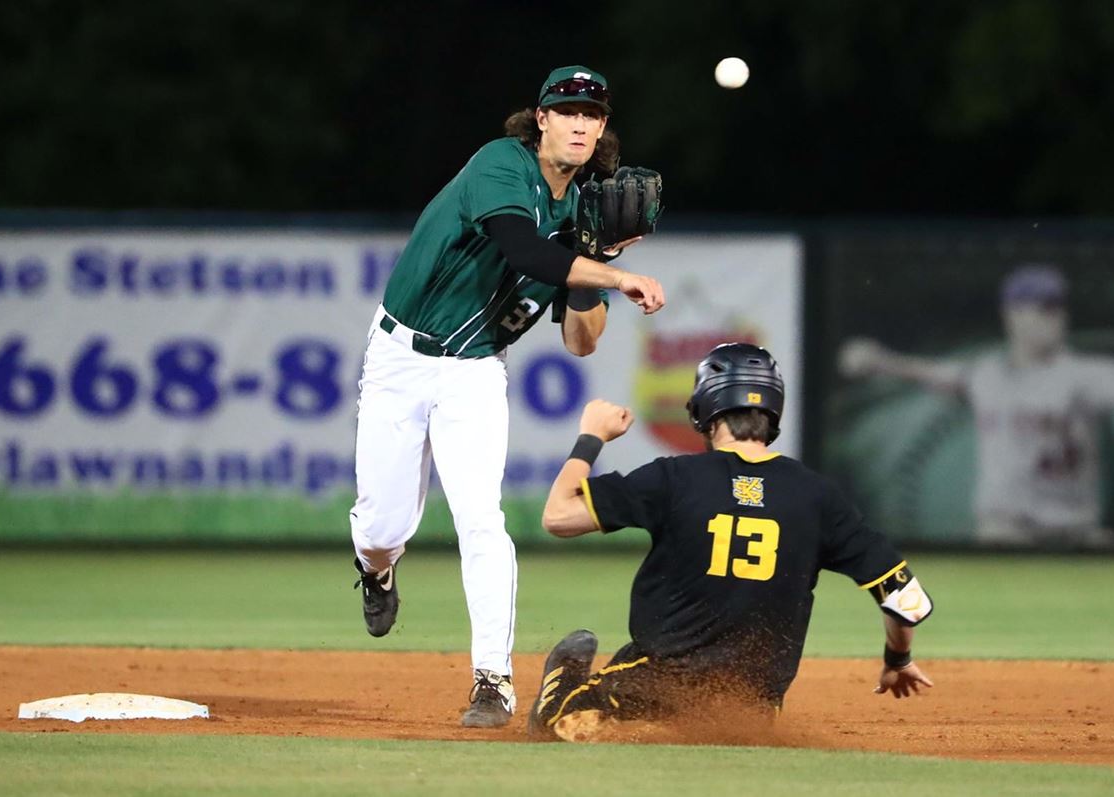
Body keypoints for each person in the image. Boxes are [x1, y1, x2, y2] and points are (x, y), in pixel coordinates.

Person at [349, 65, 666, 729]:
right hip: (400, 357)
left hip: (473, 371)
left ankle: (492, 681)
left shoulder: (585, 215)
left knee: (481, 521)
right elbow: (523, 248)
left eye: (593, 114)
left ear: (602, 128)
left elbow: (581, 341)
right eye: (567, 109)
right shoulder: (501, 163)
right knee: (384, 527)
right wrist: (614, 268)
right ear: (541, 119)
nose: (580, 122)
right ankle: (376, 568)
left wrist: (595, 267)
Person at [529, 343, 934, 741]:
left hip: (658, 683)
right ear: (774, 411)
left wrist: (591, 437)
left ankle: (565, 692)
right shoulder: (819, 496)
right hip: (751, 708)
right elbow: (904, 598)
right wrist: (897, 659)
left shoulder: (674, 478)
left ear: (703, 409)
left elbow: (557, 517)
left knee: (563, 724)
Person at [838, 264, 1114, 548]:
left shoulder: (1084, 374)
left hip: (1074, 535)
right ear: (1013, 314)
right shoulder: (984, 374)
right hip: (1003, 532)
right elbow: (933, 374)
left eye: (1058, 307)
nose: (1055, 317)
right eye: (1042, 308)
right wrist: (881, 361)